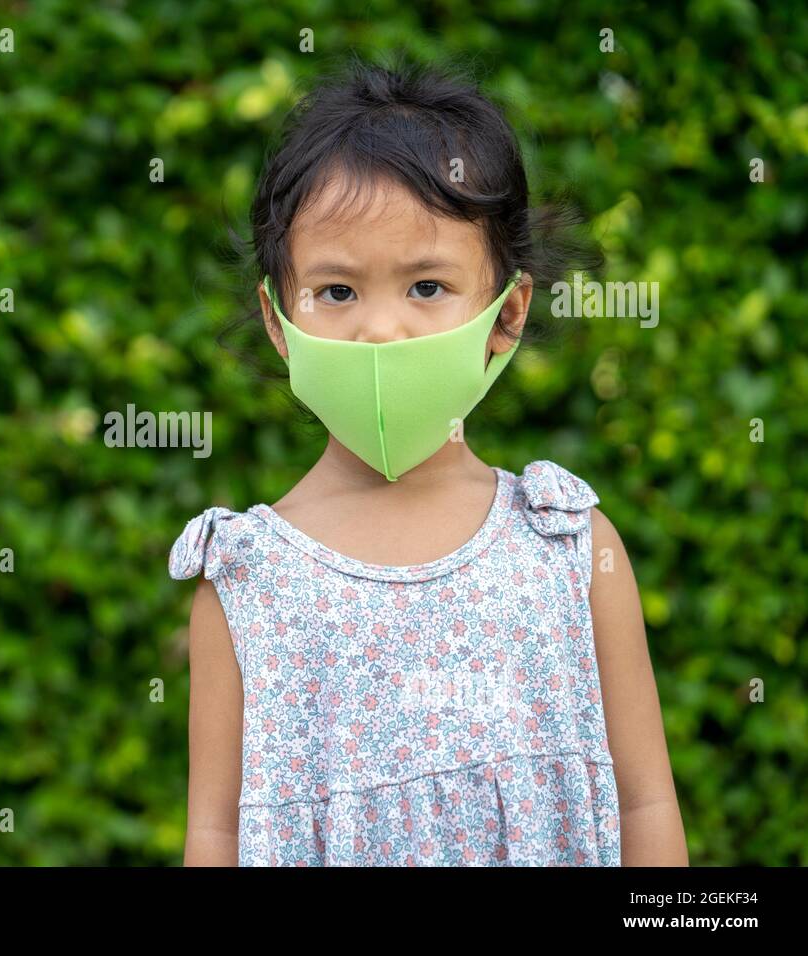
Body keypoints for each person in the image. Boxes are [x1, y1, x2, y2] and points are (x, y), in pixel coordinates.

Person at [171, 55, 687, 866]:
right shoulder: (246, 583)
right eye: (337, 292)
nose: (382, 330)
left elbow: (645, 800)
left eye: (427, 287)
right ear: (279, 321)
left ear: (506, 313)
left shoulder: (571, 551)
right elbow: (217, 832)